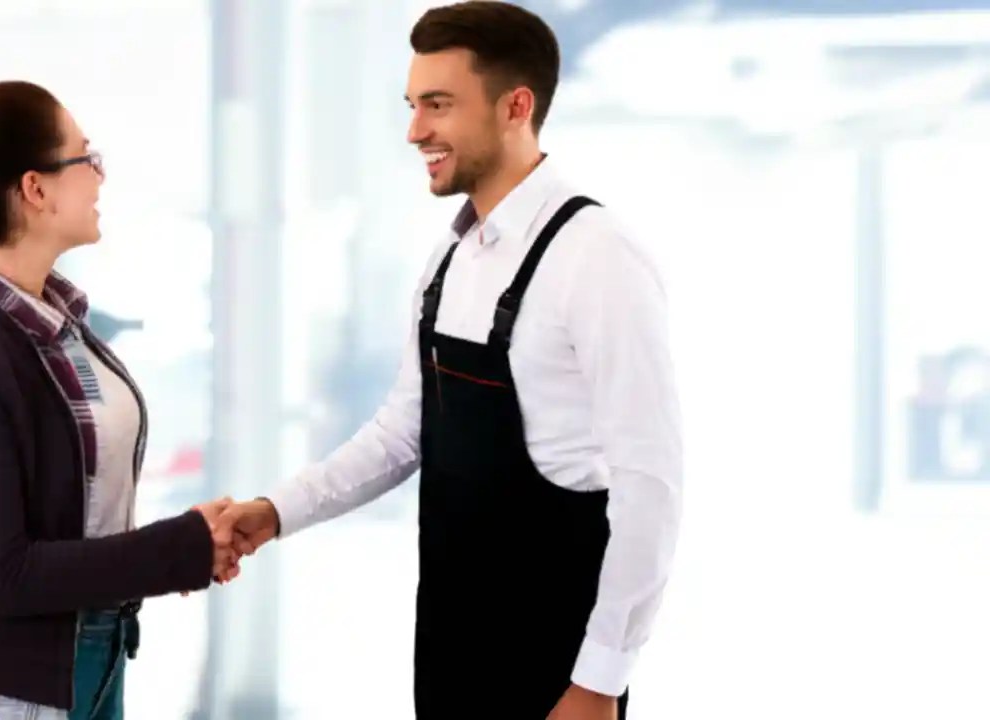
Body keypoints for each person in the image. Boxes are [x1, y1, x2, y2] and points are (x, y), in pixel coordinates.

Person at [221, 3, 683, 719]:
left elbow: (650, 484)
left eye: (437, 105)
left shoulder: (596, 258)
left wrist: (600, 680)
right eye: (412, 106)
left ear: (515, 107)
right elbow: (404, 433)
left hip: (555, 668)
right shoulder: (451, 257)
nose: (415, 131)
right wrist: (275, 511)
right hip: (451, 651)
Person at [0, 80, 239, 720]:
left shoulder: (60, 321)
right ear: (36, 188)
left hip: (91, 665)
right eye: (87, 158)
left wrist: (187, 543)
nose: (101, 177)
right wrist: (180, 550)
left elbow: (85, 514)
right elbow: (2, 576)